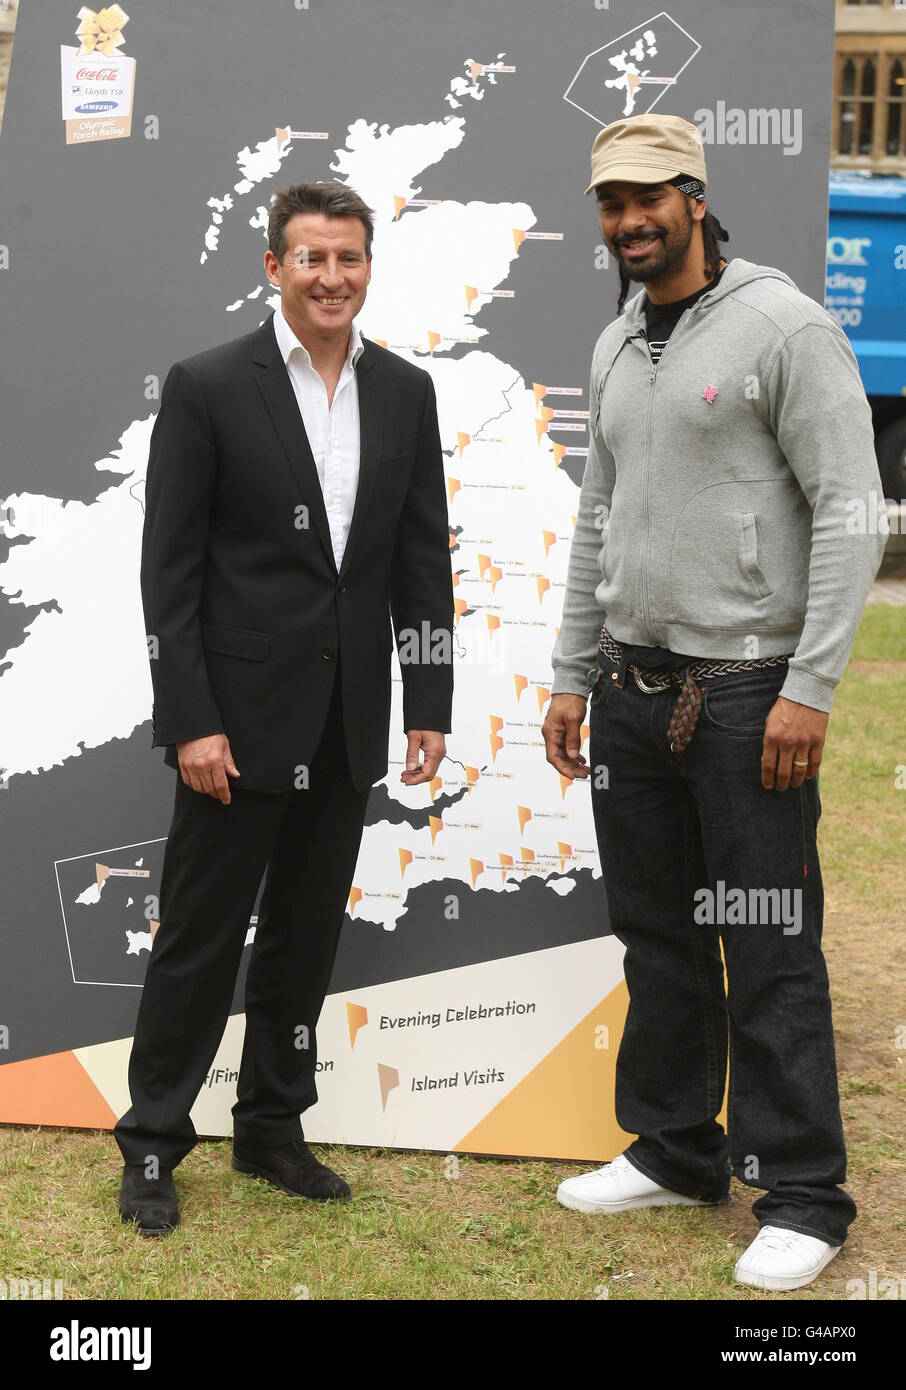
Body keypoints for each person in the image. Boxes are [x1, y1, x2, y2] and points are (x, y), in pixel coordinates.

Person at [542, 114, 886, 1291]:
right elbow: (598, 521)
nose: (630, 219)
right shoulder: (616, 344)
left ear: (695, 194)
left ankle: (802, 1191)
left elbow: (852, 511)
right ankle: (680, 1148)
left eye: (651, 196)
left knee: (771, 943)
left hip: (748, 699)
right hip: (633, 695)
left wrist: (810, 688)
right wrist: (567, 672)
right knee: (659, 936)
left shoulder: (784, 325)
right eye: (610, 202)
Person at [116, 180, 454, 1235]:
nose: (331, 277)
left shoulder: (404, 392)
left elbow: (417, 559)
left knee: (303, 943)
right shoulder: (210, 386)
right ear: (274, 266)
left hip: (346, 722)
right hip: (234, 725)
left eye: (348, 259)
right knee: (199, 942)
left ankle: (272, 1126)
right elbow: (168, 574)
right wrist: (190, 719)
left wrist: (426, 697)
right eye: (311, 258)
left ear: (367, 267)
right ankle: (155, 1143)